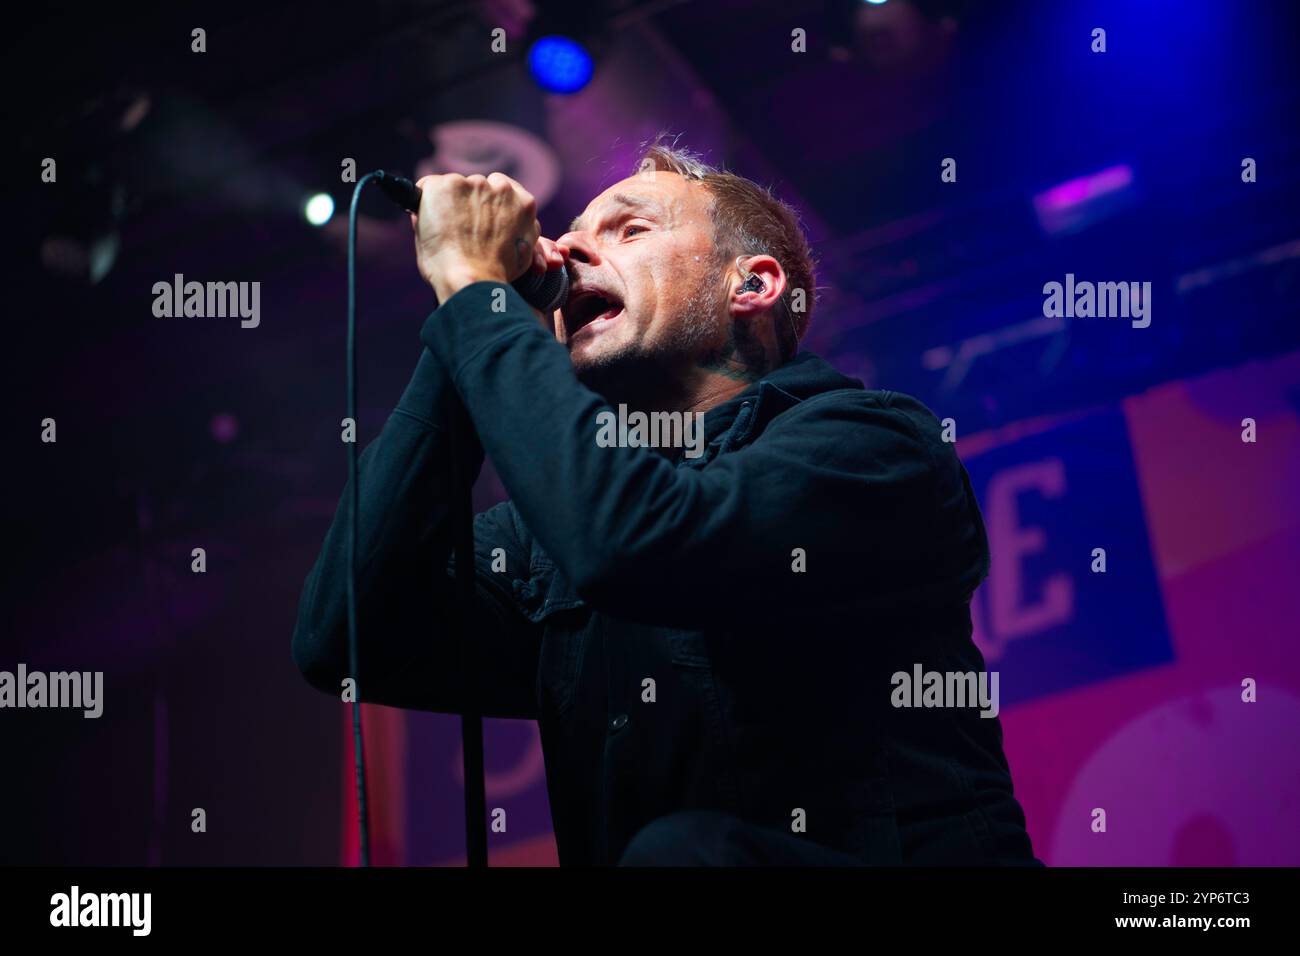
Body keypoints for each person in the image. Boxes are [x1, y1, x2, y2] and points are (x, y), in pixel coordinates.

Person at [292, 139, 1040, 866]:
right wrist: (472, 312)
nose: (567, 254)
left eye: (629, 228)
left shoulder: (875, 443)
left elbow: (640, 541)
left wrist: (474, 297)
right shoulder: (544, 538)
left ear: (752, 285)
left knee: (683, 853)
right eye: (567, 239)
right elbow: (349, 638)